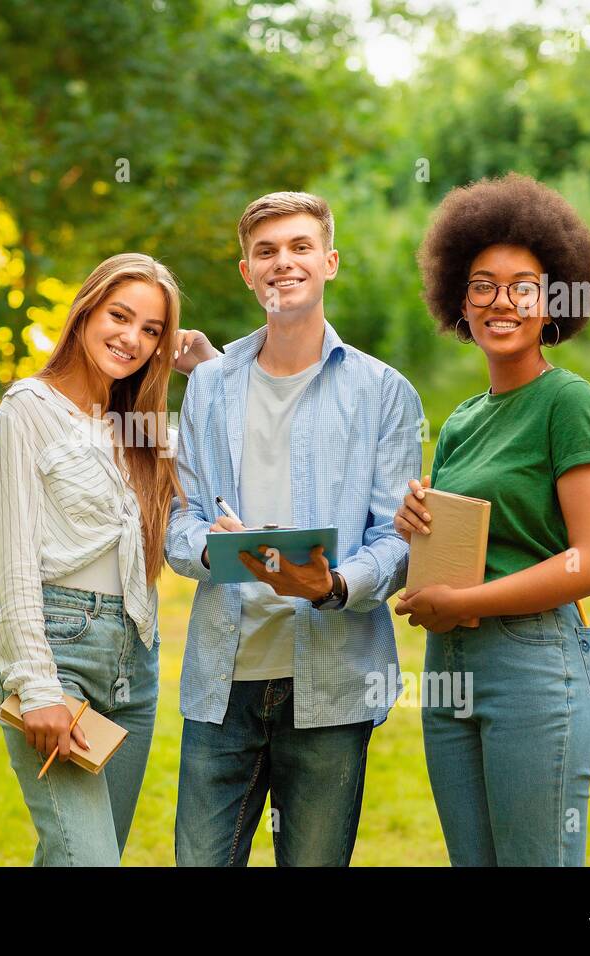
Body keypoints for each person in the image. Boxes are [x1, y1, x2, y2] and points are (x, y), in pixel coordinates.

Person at [165, 192, 424, 866]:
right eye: (266, 251)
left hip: (332, 681)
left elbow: (397, 538)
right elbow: (178, 522)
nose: (284, 262)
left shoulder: (383, 392)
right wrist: (220, 551)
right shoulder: (209, 385)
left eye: (300, 247)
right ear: (246, 272)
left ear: (330, 261)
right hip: (222, 682)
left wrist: (336, 584)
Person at [394, 172, 590, 866]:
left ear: (552, 302)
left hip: (534, 665)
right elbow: (476, 544)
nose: (501, 301)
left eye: (523, 285)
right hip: (450, 666)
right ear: (458, 302)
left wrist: (465, 600)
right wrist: (419, 524)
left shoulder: (568, 402)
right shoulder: (462, 421)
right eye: (481, 285)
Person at [0, 252, 214, 866]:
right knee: (90, 860)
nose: (132, 338)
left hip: (134, 660)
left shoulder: (139, 426)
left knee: (76, 854)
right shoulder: (28, 410)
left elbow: (229, 477)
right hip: (60, 653)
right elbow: (9, 563)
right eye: (120, 315)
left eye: (152, 330)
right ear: (86, 310)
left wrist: (211, 371)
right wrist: (36, 688)